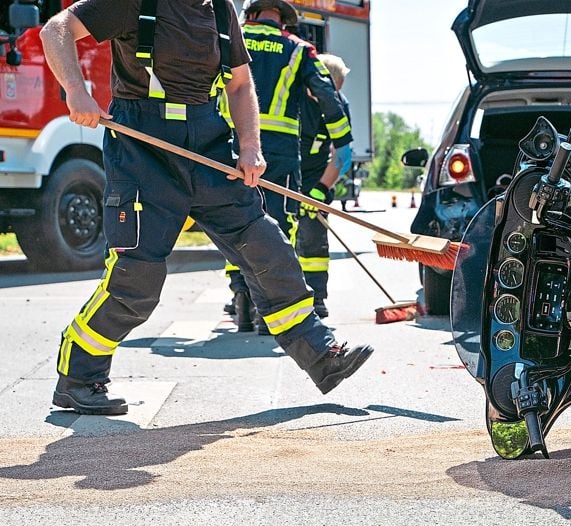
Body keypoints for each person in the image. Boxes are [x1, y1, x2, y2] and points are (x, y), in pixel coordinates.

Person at [41, 0, 372, 415]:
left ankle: (323, 356)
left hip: (208, 144)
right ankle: (79, 378)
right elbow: (55, 30)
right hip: (143, 145)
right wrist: (75, 89)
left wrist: (250, 147)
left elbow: (239, 85)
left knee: (265, 246)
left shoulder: (219, 10)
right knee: (137, 278)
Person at [222, 0, 353, 333]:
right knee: (275, 226)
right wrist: (343, 141)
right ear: (283, 19)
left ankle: (243, 304)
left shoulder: (227, 38)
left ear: (250, 14)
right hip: (276, 155)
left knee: (232, 222)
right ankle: (272, 314)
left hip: (227, 147)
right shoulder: (298, 49)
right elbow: (327, 94)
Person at [295, 53, 352, 318]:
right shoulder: (295, 99)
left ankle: (316, 297)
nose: (333, 96)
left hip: (317, 175)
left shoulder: (340, 105)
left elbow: (343, 155)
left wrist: (321, 189)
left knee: (313, 237)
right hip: (285, 170)